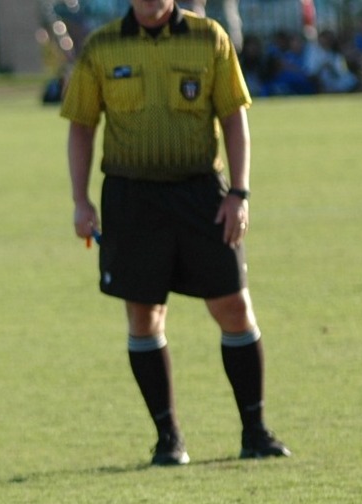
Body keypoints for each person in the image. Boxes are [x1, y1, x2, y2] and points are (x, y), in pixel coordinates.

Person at [61, 0, 290, 465]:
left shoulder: (210, 39)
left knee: (233, 306)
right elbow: (82, 126)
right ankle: (168, 439)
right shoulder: (102, 47)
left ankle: (256, 432)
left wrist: (239, 193)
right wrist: (81, 200)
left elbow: (233, 117)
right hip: (131, 199)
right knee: (144, 317)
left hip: (201, 195)